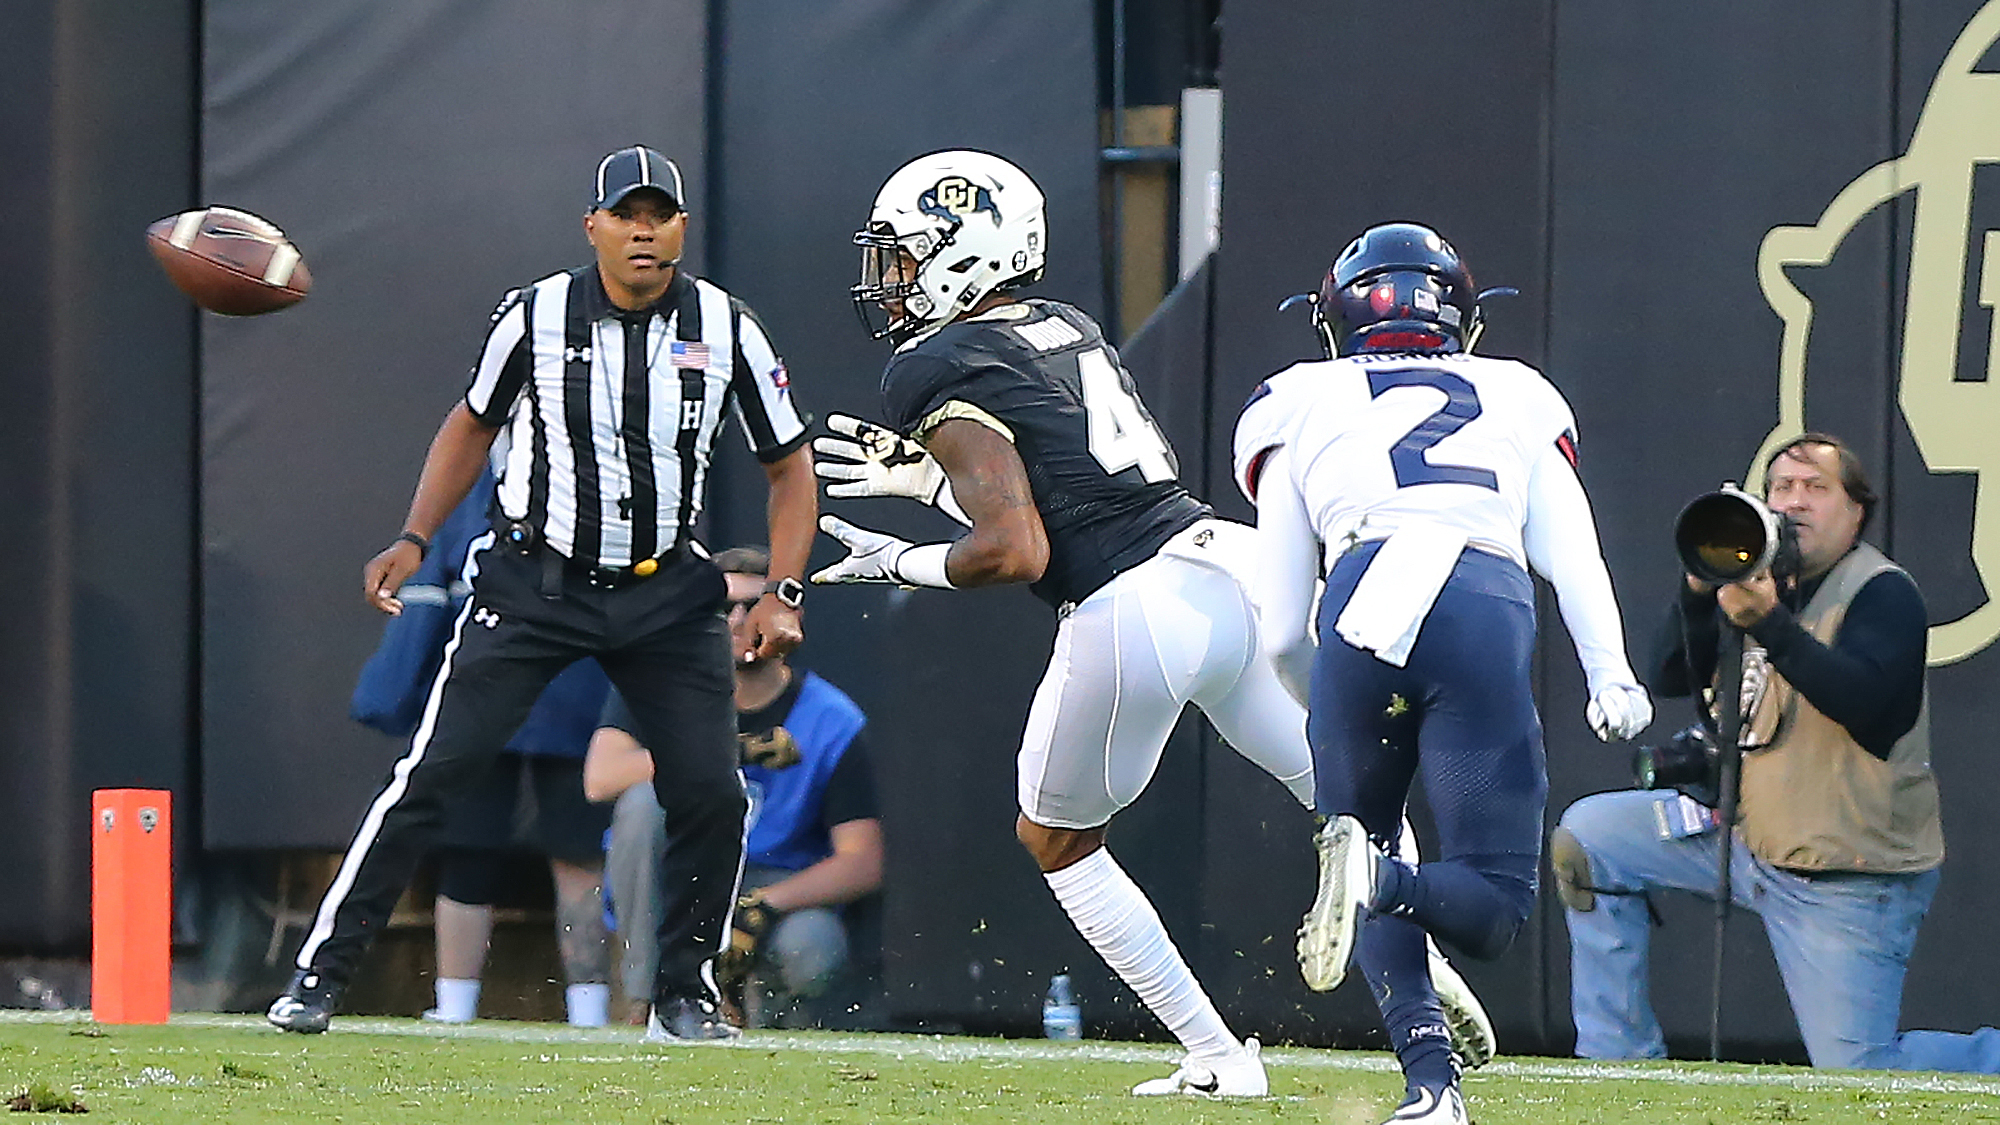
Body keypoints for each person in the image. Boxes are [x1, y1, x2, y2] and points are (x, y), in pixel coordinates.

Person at [267, 145, 816, 1042]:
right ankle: (319, 976)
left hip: (663, 587)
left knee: (713, 792)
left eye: (660, 215)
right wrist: (414, 537)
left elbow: (790, 466)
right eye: (626, 215)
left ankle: (683, 992)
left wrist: (781, 589)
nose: (643, 231)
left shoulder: (726, 326)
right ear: (592, 226)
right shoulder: (536, 314)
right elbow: (471, 424)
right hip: (535, 578)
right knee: (434, 774)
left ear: (683, 227)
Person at [810, 147, 1319, 1098]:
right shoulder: (1063, 323)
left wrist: (899, 559)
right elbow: (1077, 496)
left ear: (963, 251)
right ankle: (1429, 1002)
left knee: (1056, 837)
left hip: (1132, 609)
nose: (892, 277)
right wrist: (930, 484)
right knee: (1346, 799)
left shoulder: (933, 362)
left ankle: (1217, 1056)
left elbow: (1015, 551)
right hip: (1220, 568)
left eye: (907, 254)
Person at [1246, 222, 1651, 1125]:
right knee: (1493, 904)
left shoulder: (1294, 397)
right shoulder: (1518, 391)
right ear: (1462, 317)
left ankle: (1431, 1088)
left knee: (1365, 839)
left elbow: (1278, 628)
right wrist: (1610, 674)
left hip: (1358, 606)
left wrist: (1331, 701)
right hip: (1477, 599)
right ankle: (1382, 884)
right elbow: (1573, 554)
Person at [1554, 433, 2000, 1072]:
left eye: (1816, 488)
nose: (1795, 502)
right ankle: (1616, 1060)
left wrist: (1768, 623)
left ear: (1856, 512)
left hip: (1842, 870)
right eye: (1781, 487)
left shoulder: (1882, 592)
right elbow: (1671, 676)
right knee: (1590, 837)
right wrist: (1698, 591)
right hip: (1746, 839)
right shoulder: (1756, 584)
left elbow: (1870, 709)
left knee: (1860, 1071)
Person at [350, 469, 615, 1028]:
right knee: (523, 855)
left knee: (556, 856)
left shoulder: (481, 482)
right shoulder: (498, 481)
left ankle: (473, 1007)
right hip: (550, 679)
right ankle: (563, 1011)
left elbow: (433, 593)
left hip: (513, 679)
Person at [584, 546, 884, 1029]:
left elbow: (862, 861)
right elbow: (601, 779)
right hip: (677, 873)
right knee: (642, 803)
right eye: (723, 607)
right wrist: (732, 751)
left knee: (812, 945)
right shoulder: (658, 687)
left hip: (771, 881)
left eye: (753, 605)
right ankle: (647, 1004)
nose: (739, 620)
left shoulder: (831, 718)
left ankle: (775, 1045)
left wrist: (761, 907)